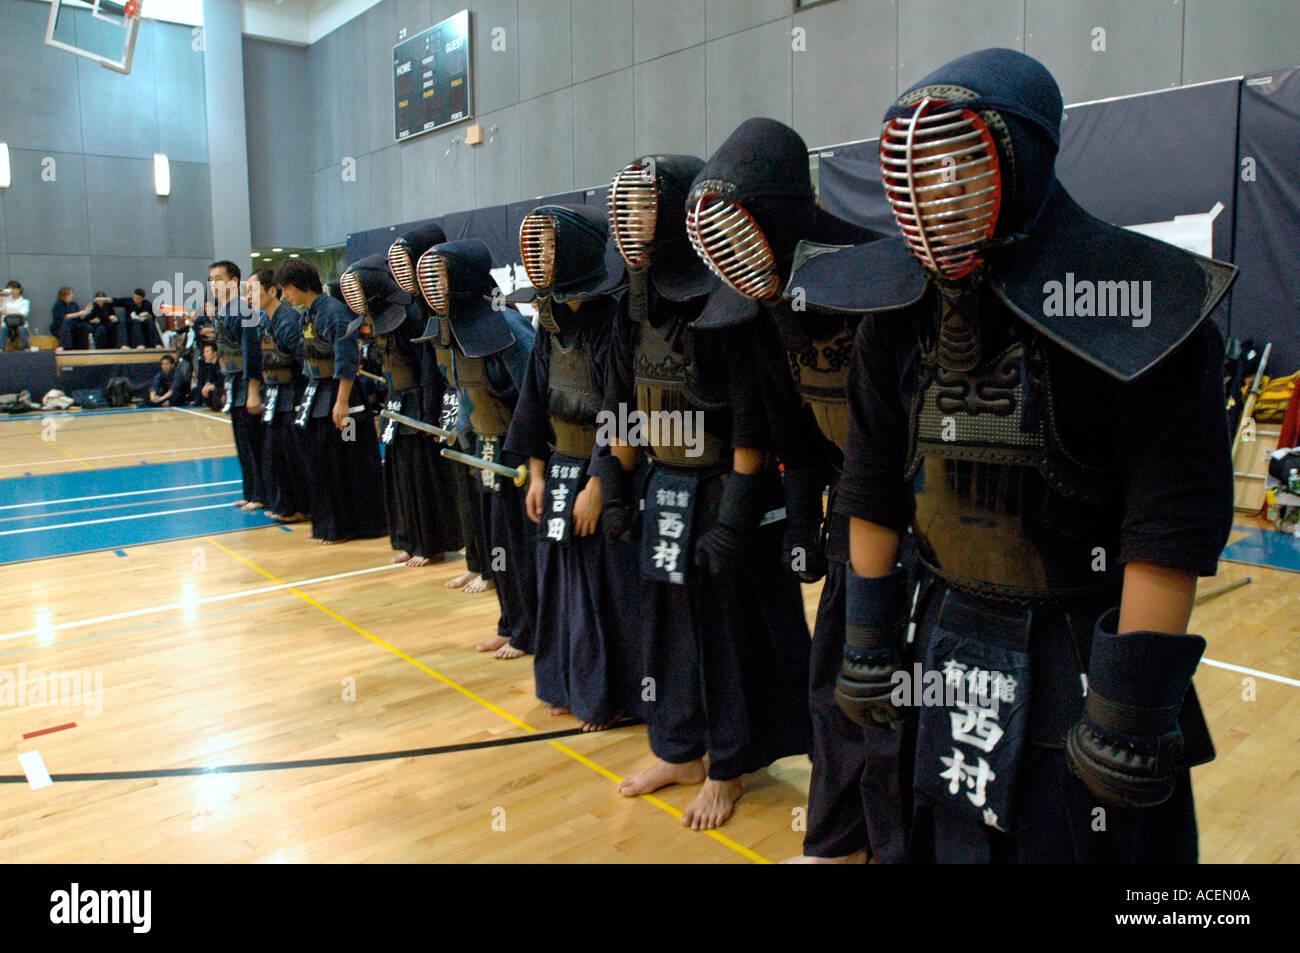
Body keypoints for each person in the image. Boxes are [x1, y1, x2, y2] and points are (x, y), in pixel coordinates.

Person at [805, 48, 1235, 863]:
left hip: (1080, 641)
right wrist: (866, 631)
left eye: (957, 169)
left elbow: (1166, 524)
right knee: (945, 836)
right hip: (944, 634)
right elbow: (870, 484)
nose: (934, 199)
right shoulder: (895, 317)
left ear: (1020, 158)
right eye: (916, 177)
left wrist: (1128, 705)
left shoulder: (1142, 310)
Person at [680, 118, 905, 863]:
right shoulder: (759, 310)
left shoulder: (883, 274)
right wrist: (803, 518)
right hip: (853, 507)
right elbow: (793, 427)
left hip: (922, 512)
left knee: (908, 696)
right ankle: (840, 839)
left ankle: (896, 837)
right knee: (837, 684)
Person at [604, 151, 812, 831]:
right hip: (664, 484)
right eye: (625, 208)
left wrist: (737, 513)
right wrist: (616, 485)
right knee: (664, 628)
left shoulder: (726, 300)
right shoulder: (627, 307)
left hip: (725, 485)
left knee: (728, 634)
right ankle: (679, 746)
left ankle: (728, 763)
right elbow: (623, 399)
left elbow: (752, 415)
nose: (633, 222)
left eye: (645, 207)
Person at [503, 204, 633, 730]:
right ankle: (565, 682)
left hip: (600, 476)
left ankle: (613, 695)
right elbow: (533, 403)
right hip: (559, 467)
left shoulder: (612, 320)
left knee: (605, 586)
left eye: (551, 247)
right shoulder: (551, 322)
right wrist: (536, 474)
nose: (541, 257)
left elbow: (621, 408)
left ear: (576, 251)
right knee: (558, 582)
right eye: (538, 247)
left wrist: (601, 484)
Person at [414, 239, 536, 657]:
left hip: (516, 453)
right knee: (496, 539)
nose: (431, 287)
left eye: (440, 277)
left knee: (520, 543)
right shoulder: (452, 328)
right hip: (484, 447)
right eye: (426, 278)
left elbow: (532, 395)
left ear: (463, 278)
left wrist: (527, 456)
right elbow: (466, 390)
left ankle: (530, 630)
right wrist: (459, 429)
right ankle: (509, 621)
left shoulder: (506, 324)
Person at [339, 255, 462, 564]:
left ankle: (431, 544)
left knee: (423, 477)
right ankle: (409, 539)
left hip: (418, 404)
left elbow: (428, 367)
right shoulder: (378, 318)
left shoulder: (410, 313)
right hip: (395, 403)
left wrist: (431, 412)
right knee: (400, 475)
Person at [397, 224, 493, 593]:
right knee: (463, 488)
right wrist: (430, 412)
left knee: (484, 490)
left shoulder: (482, 309)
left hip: (484, 410)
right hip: (455, 406)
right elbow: (431, 367)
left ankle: (490, 567)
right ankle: (474, 560)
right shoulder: (429, 310)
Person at [275, 257, 387, 544]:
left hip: (342, 398)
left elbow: (347, 359)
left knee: (347, 462)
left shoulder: (334, 313)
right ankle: (332, 525)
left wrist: (342, 402)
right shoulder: (307, 315)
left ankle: (356, 525)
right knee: (323, 463)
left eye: (286, 288)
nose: (284, 295)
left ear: (301, 284)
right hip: (318, 396)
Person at [248, 268, 310, 523]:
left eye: (252, 290)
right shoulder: (263, 320)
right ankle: (284, 503)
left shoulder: (288, 320)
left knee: (294, 453)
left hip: (293, 395)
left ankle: (302, 507)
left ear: (271, 291)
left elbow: (303, 361)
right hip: (274, 395)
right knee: (275, 452)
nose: (248, 296)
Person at [210, 260, 267, 512]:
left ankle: (261, 493)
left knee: (255, 443)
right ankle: (250, 490)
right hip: (232, 384)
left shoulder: (243, 312)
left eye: (219, 278)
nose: (214, 284)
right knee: (242, 443)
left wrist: (253, 391)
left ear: (234, 281)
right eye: (211, 279)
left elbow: (252, 354)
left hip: (247, 385)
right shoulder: (222, 312)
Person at [193, 341, 223, 410]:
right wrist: (206, 386)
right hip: (215, 385)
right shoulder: (210, 365)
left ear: (215, 353)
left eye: (207, 352)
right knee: (200, 389)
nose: (205, 354)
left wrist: (213, 385)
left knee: (216, 391)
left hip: (222, 386)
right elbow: (209, 378)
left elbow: (223, 379)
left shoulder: (221, 364)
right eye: (204, 352)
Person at [1, 282, 32, 351]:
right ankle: (1, 348)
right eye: (10, 289)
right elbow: (1, 311)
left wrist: (8, 313)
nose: (13, 291)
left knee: (21, 329)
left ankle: (25, 348)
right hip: (7, 324)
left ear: (19, 289)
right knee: (3, 329)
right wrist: (2, 297)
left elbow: (23, 313)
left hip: (20, 324)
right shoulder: (5, 300)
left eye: (14, 289)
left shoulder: (24, 302)